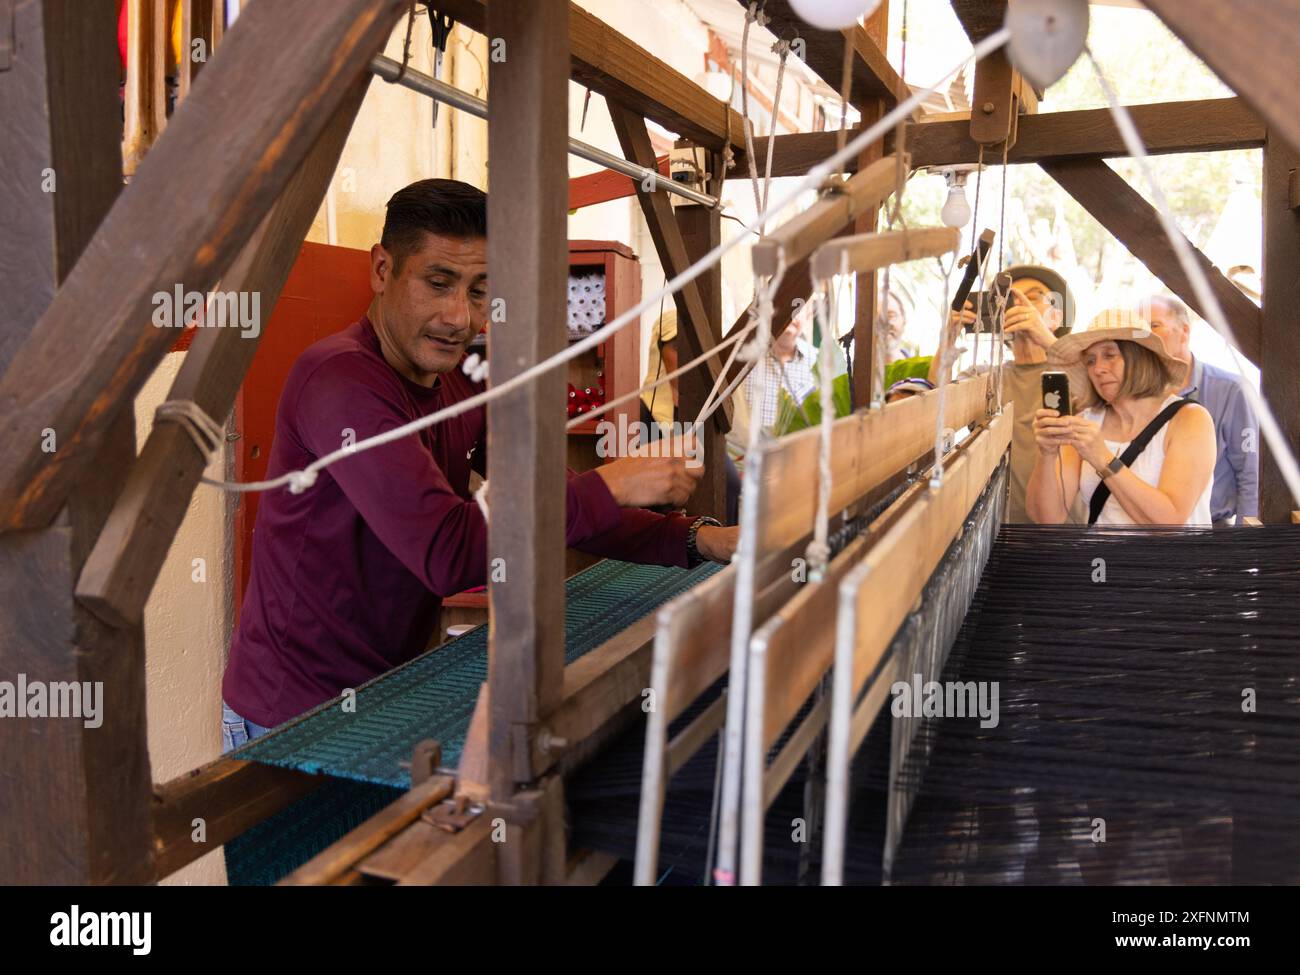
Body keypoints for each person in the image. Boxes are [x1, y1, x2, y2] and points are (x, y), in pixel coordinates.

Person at [221, 179, 739, 750]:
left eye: (478, 292)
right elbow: (444, 551)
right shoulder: (341, 382)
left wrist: (695, 541)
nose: (458, 317)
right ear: (381, 270)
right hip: (292, 714)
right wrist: (611, 484)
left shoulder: (460, 381)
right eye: (438, 283)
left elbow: (548, 497)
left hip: (385, 692)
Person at [1027, 309, 1216, 526]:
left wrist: (1103, 459)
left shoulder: (1189, 419)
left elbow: (1170, 522)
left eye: (1110, 355)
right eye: (1090, 360)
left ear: (1139, 357)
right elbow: (1047, 518)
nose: (1098, 369)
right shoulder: (1086, 421)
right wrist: (1047, 454)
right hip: (1104, 560)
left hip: (1171, 560)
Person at [932, 264, 1077, 523]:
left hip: (1062, 538)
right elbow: (936, 410)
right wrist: (947, 341)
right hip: (996, 538)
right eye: (1008, 300)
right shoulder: (985, 378)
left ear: (1056, 318)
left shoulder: (1074, 371)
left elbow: (1094, 390)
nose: (1019, 306)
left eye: (1032, 298)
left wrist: (1044, 337)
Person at [1141, 295, 1258, 525]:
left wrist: (1246, 548)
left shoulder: (1231, 391)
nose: (1145, 336)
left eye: (1154, 325)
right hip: (1150, 532)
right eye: (1139, 328)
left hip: (1213, 534)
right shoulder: (1137, 396)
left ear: (1184, 330)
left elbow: (1251, 473)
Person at [743, 312, 817, 432]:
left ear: (808, 314)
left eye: (798, 310)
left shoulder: (820, 361)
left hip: (803, 448)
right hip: (749, 449)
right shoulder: (744, 362)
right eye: (786, 305)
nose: (791, 315)